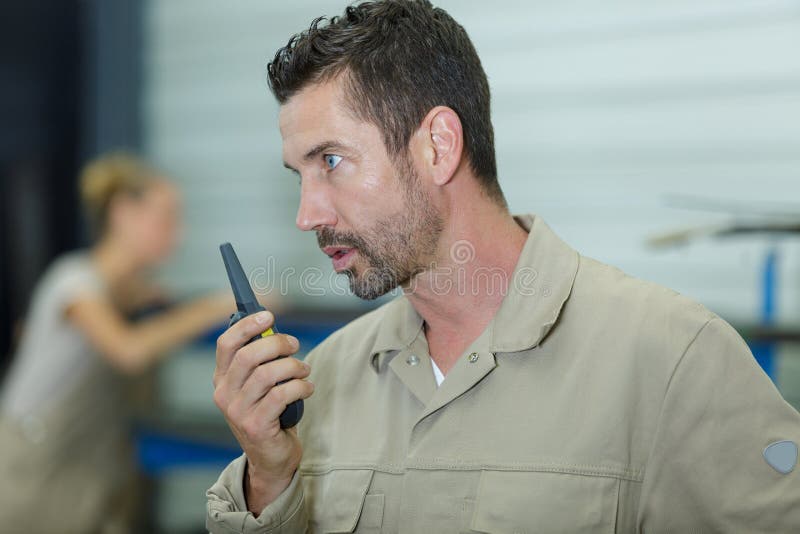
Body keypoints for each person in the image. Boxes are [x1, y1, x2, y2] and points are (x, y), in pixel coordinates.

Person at [206, 1, 800, 532]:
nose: (306, 215)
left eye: (331, 160)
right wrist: (269, 479)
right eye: (299, 176)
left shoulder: (673, 359)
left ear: (437, 146)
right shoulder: (326, 376)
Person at [0, 152, 233, 533]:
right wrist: (214, 306)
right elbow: (129, 351)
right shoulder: (73, 281)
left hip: (82, 470)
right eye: (166, 218)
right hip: (32, 471)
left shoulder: (119, 292)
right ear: (123, 213)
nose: (178, 233)